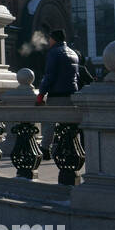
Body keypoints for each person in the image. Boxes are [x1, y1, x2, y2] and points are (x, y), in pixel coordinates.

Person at [36, 29, 81, 159]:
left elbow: (49, 75)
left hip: (57, 94)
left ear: (54, 39)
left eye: (50, 39)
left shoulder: (54, 53)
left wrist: (41, 94)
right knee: (70, 123)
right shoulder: (73, 53)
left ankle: (45, 148)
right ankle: (73, 148)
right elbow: (77, 75)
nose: (48, 41)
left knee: (50, 122)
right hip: (72, 93)